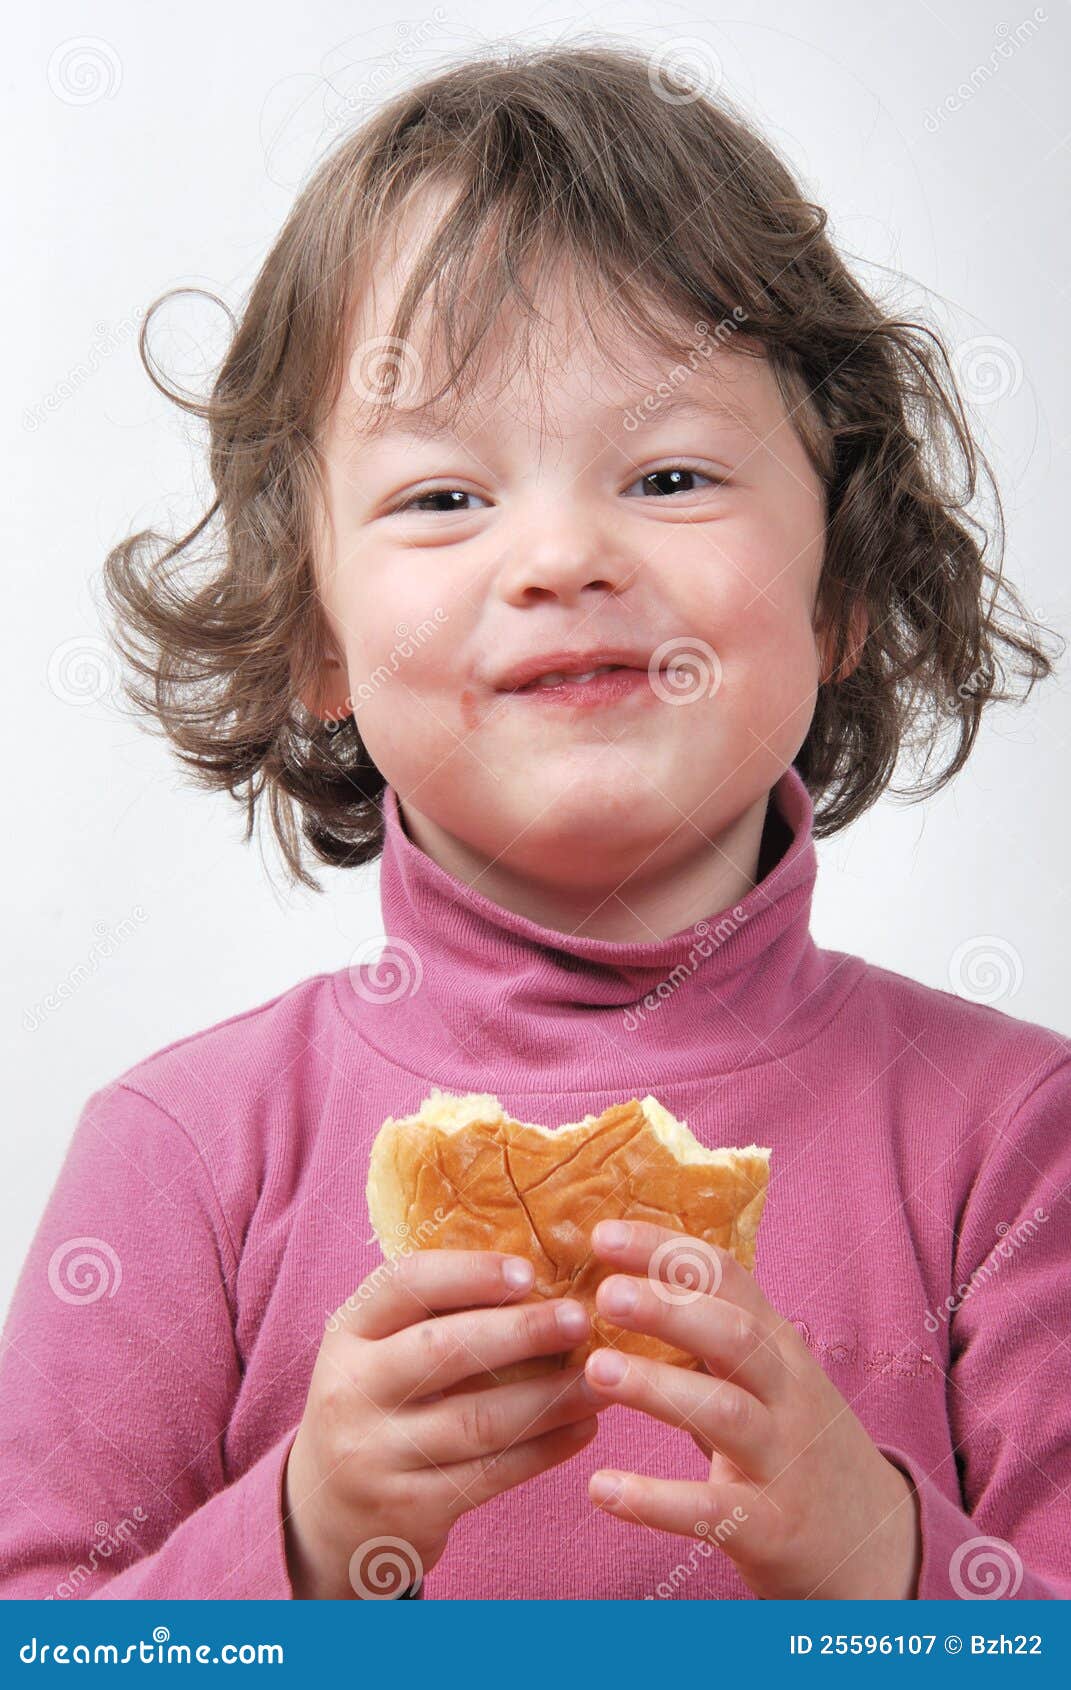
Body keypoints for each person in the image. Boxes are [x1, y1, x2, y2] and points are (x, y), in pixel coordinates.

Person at [2, 41, 1068, 1602]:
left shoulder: (1017, 1142)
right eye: (443, 496)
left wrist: (895, 1566)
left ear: (840, 586)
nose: (562, 553)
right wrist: (294, 1536)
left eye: (672, 470)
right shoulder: (181, 1158)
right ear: (314, 631)